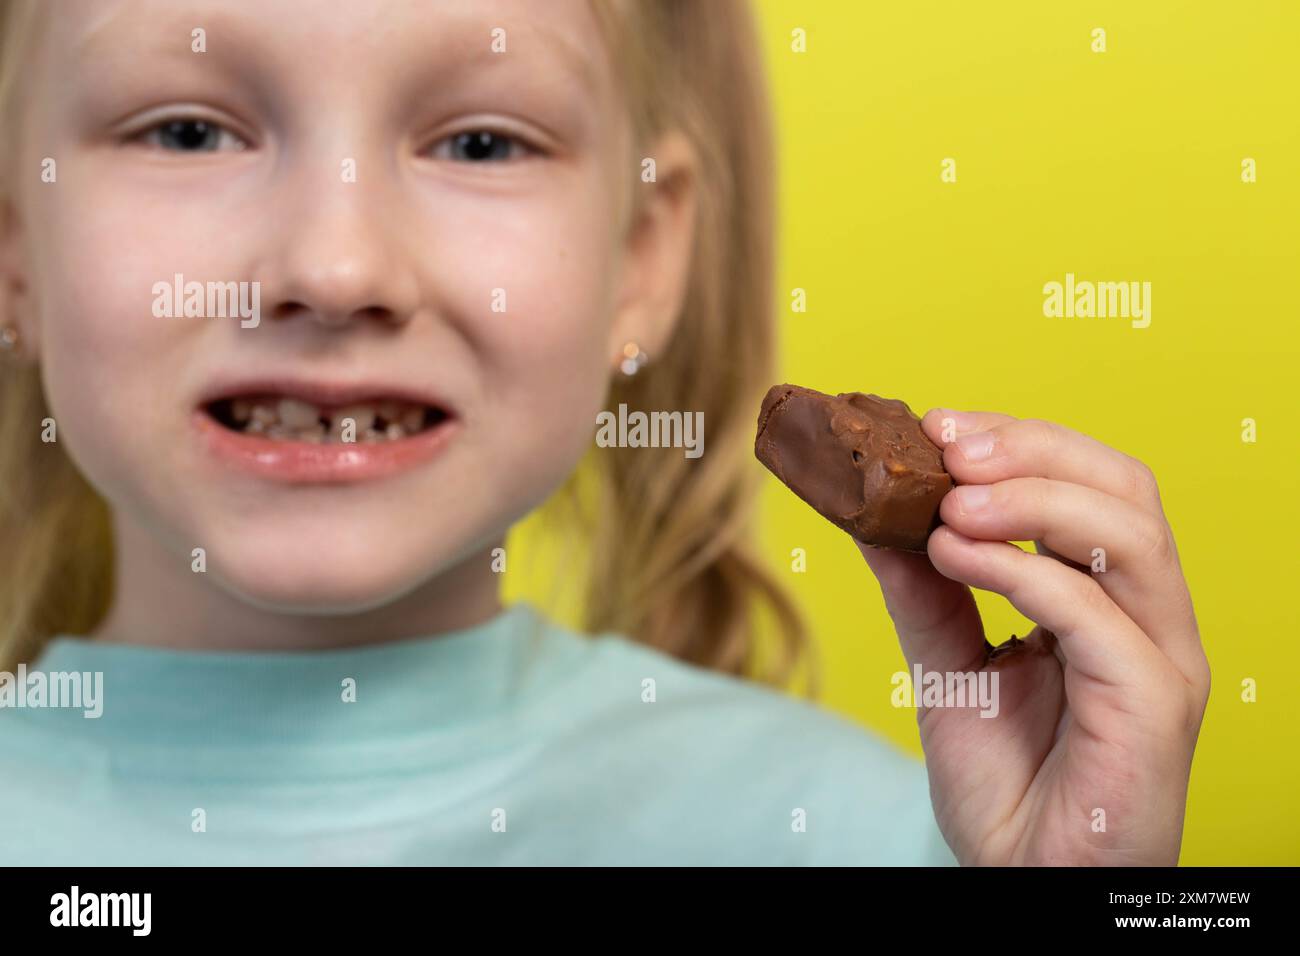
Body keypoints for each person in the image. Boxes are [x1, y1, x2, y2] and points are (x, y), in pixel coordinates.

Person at [0, 0, 1207, 865]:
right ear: (14, 245)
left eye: (480, 142)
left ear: (640, 259)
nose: (336, 264)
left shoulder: (880, 833)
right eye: (188, 132)